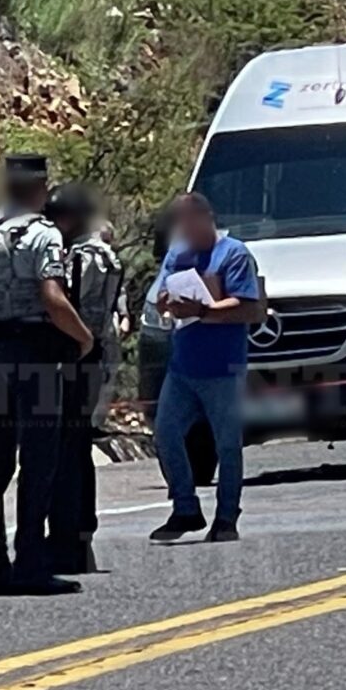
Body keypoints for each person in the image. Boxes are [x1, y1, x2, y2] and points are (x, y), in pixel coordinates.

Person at [0, 154, 97, 596]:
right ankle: (31, 561)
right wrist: (83, 338)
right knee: (38, 459)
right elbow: (52, 296)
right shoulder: (42, 234)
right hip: (36, 357)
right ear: (40, 188)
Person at [149, 192, 265, 544]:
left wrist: (203, 311)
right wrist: (167, 301)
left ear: (205, 217)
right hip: (183, 366)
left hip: (223, 367)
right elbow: (158, 296)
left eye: (187, 221)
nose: (182, 229)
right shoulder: (177, 253)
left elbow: (248, 306)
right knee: (166, 435)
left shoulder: (234, 254)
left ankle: (227, 517)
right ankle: (185, 507)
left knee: (227, 444)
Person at [45, 184, 124, 575]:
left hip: (77, 355)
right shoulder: (104, 253)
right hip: (92, 355)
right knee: (76, 449)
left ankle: (69, 535)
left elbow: (68, 305)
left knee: (68, 452)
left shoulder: (83, 257)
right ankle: (77, 536)